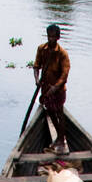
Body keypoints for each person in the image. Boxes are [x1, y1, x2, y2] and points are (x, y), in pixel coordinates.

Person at [33, 24, 70, 155]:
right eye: (49, 36)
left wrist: (54, 88)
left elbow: (64, 75)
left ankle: (61, 138)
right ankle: (59, 136)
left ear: (58, 37)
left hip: (58, 90)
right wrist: (37, 81)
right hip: (45, 88)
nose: (51, 39)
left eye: (54, 37)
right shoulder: (42, 49)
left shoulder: (62, 54)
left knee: (59, 112)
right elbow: (36, 66)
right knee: (50, 111)